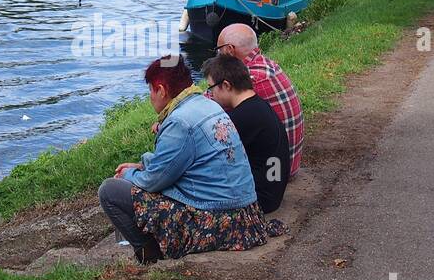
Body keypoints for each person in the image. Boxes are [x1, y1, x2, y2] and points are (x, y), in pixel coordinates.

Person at [98, 56, 278, 263]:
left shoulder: (179, 121)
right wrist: (143, 165)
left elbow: (153, 181)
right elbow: (178, 160)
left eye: (151, 90)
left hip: (219, 220)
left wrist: (128, 174)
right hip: (247, 214)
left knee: (110, 191)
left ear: (162, 90)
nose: (150, 97)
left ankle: (150, 256)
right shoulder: (208, 104)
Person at [213, 23, 303, 178]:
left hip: (273, 175)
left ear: (229, 50)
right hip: (286, 162)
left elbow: (207, 111)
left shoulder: (249, 79)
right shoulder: (265, 65)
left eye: (218, 50)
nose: (217, 56)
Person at [203, 53, 290, 212]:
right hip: (272, 190)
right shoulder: (258, 106)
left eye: (211, 88)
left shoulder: (241, 118)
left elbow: (207, 156)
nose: (211, 95)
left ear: (227, 86)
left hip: (260, 200)